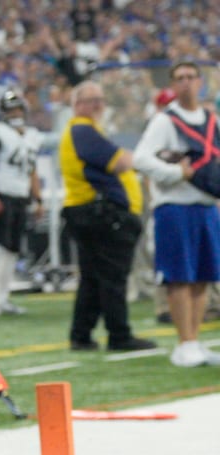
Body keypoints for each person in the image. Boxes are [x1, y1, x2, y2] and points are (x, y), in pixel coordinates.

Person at [132, 61, 220, 368]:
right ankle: (183, 343)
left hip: (206, 205)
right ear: (172, 85)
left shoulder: (211, 120)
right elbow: (140, 159)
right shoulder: (165, 121)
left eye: (191, 77)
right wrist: (174, 173)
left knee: (203, 276)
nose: (186, 83)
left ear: (201, 82)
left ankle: (195, 340)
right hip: (174, 206)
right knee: (180, 276)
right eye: (179, 78)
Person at [59, 81, 156, 353]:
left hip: (90, 213)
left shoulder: (84, 130)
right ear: (77, 106)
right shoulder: (83, 129)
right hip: (101, 214)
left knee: (93, 277)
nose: (98, 104)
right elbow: (120, 162)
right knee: (113, 277)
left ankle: (82, 334)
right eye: (91, 100)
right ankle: (119, 334)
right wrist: (141, 158)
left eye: (101, 99)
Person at [0, 89, 41, 316]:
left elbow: (32, 170)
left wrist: (38, 198)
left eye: (17, 108)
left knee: (12, 249)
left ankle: (2, 298)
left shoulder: (31, 136)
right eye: (10, 109)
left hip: (20, 196)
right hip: (1, 194)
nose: (14, 113)